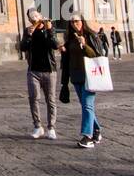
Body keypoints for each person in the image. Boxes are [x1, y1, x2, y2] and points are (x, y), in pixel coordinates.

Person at [60, 14, 106, 148]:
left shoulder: (91, 36)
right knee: (86, 105)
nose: (75, 24)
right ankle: (96, 130)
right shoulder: (70, 39)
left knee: (87, 105)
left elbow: (97, 55)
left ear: (82, 21)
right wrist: (64, 50)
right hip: (76, 77)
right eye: (72, 22)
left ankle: (88, 136)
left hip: (90, 76)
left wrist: (84, 44)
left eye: (77, 21)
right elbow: (67, 60)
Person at [20, 8, 60, 140]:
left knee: (51, 100)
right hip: (33, 71)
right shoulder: (28, 30)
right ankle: (38, 126)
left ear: (40, 16)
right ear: (30, 20)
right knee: (33, 98)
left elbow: (54, 45)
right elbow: (22, 48)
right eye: (32, 18)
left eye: (36, 16)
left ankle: (51, 128)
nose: (34, 19)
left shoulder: (50, 27)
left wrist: (49, 30)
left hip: (49, 70)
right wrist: (29, 36)